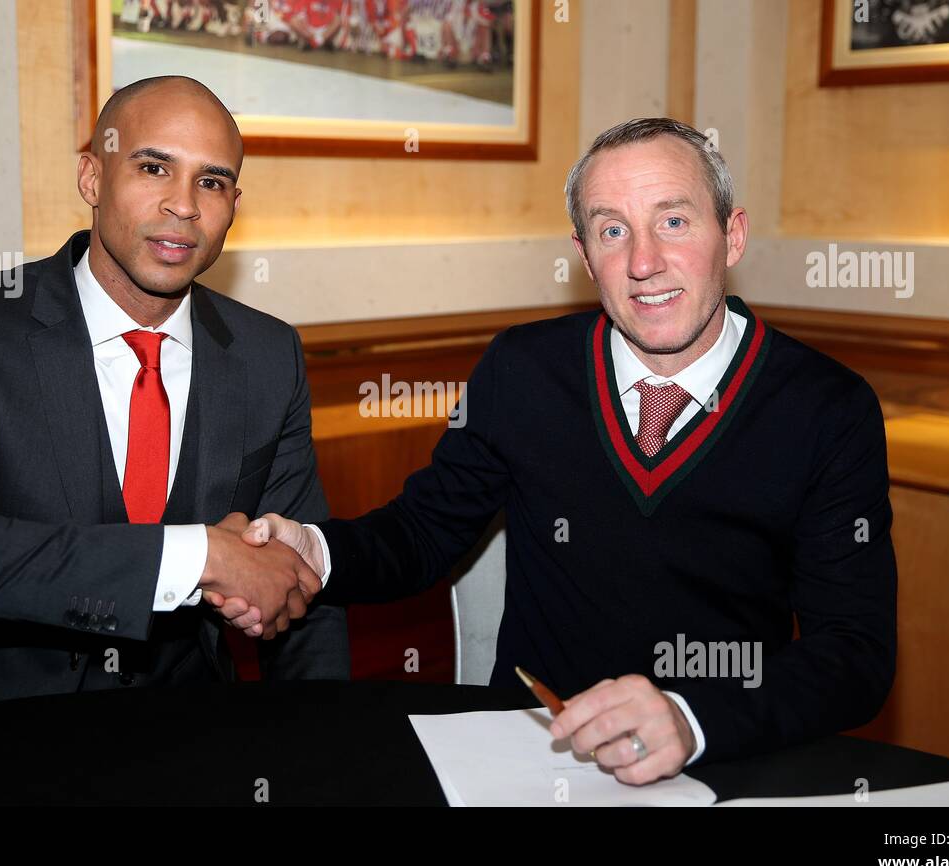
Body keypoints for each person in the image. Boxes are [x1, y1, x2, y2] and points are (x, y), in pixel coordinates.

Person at [225, 118, 898, 785]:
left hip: (725, 755)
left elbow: (855, 653)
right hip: (536, 755)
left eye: (673, 222)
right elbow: (422, 532)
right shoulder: (523, 369)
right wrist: (317, 550)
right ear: (584, 257)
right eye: (613, 230)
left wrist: (692, 719)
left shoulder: (826, 408)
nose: (643, 262)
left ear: (733, 236)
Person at [0, 76, 347, 714]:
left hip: (190, 740)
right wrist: (199, 555)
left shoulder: (269, 355)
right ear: (92, 178)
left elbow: (297, 587)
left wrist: (322, 755)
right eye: (154, 167)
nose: (184, 206)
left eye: (211, 181)